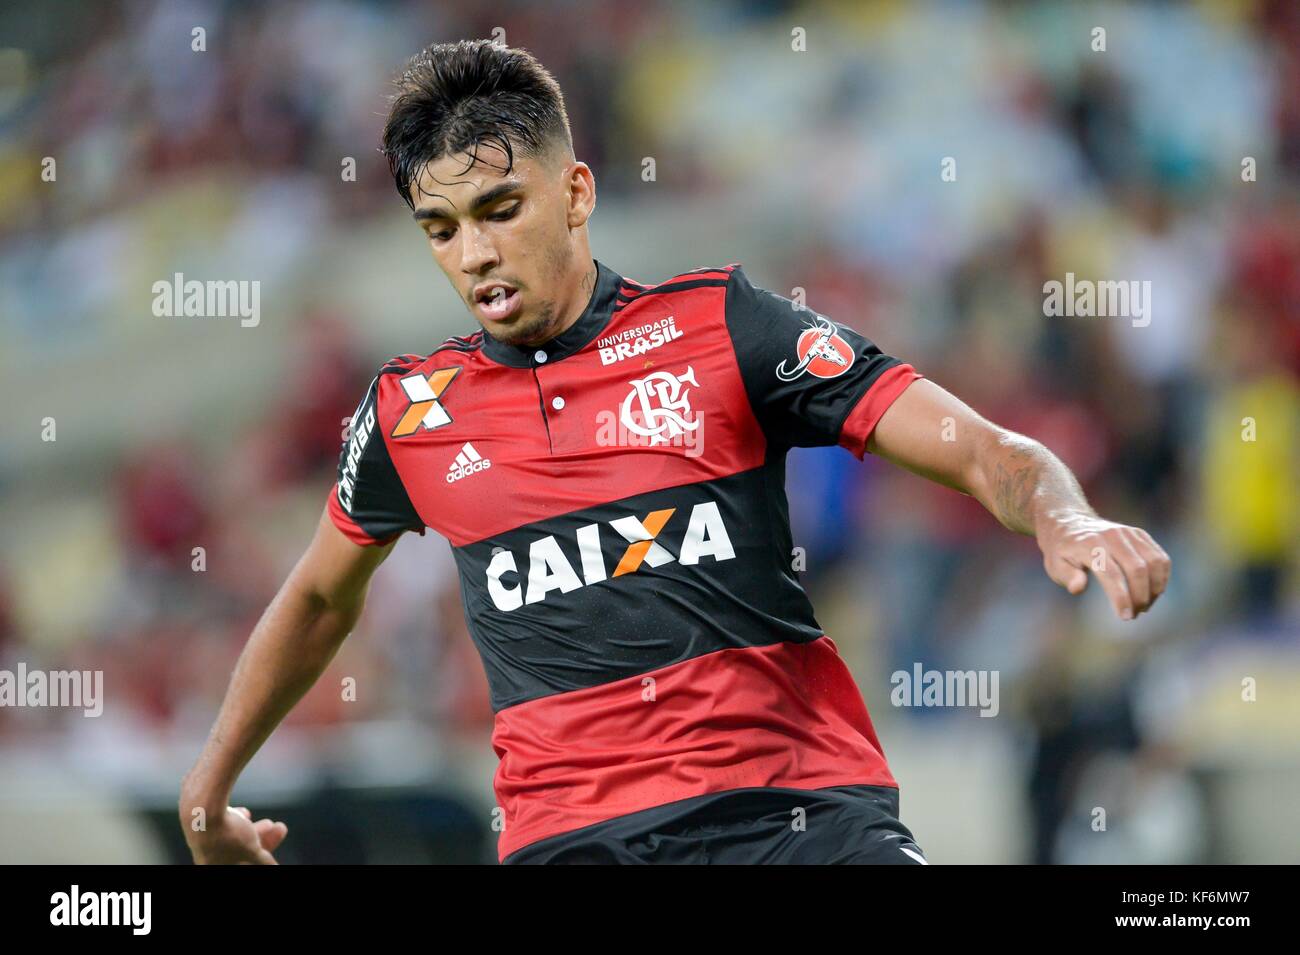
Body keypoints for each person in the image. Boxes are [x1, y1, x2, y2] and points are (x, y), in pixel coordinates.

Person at [180, 39, 1170, 865]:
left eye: (499, 211)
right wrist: (210, 787)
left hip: (797, 817)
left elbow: (979, 449)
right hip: (576, 843)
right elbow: (317, 598)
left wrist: (1063, 512)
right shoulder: (409, 411)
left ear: (576, 192)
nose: (474, 254)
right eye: (440, 229)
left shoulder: (725, 327)